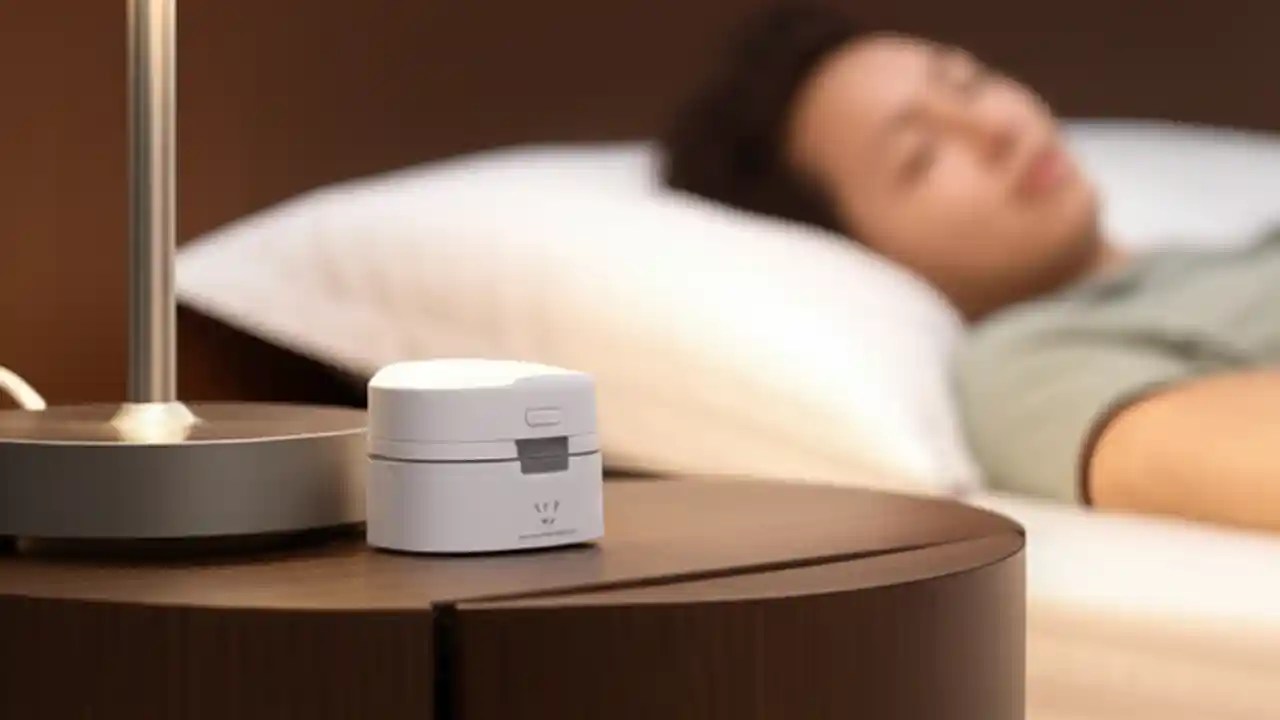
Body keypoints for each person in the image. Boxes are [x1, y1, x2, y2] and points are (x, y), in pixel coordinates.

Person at [662, 3, 1280, 533]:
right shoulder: (1027, 367)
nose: (995, 127)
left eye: (969, 82)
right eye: (921, 157)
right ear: (861, 253)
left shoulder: (1210, 262)